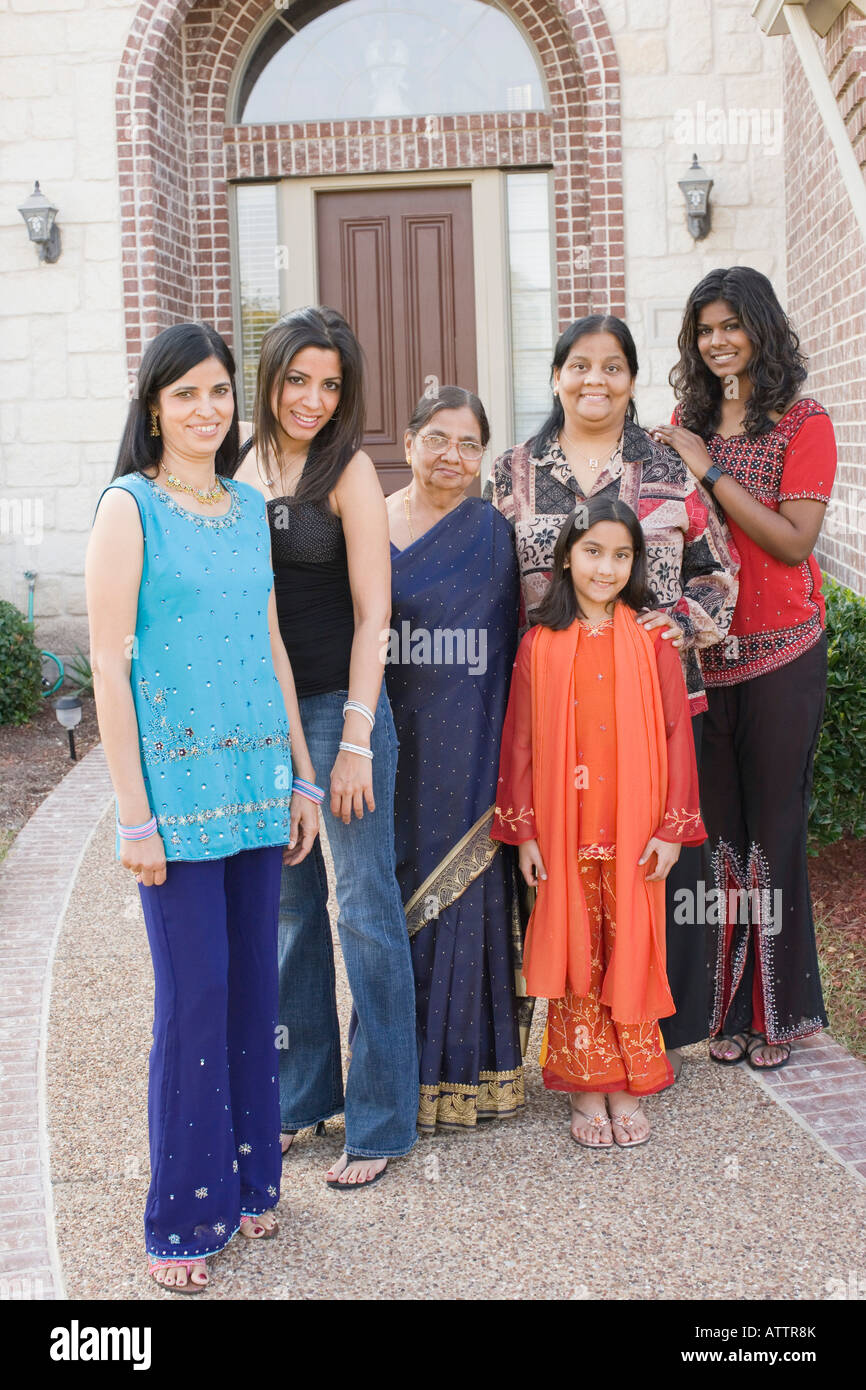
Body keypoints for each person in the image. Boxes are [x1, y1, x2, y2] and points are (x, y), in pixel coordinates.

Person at [85, 323, 320, 1292]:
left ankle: (254, 1181)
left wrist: (303, 774)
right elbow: (108, 662)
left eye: (219, 392)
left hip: (257, 786)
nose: (206, 409)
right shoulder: (126, 508)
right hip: (175, 804)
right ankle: (183, 1217)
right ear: (153, 407)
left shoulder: (247, 503)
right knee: (192, 1004)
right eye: (186, 394)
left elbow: (271, 645)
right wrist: (133, 816)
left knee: (250, 999)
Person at [486, 316, 738, 1078]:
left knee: (641, 881)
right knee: (561, 881)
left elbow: (718, 576)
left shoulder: (664, 466)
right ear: (557, 373)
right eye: (580, 366)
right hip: (551, 711)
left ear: (633, 378)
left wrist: (666, 631)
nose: (596, 380)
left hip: (648, 710)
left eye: (614, 367)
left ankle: (640, 1042)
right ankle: (574, 1050)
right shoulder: (514, 472)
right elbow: (488, 588)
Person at [234, 306, 418, 1189]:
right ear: (269, 379)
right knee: (291, 911)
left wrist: (354, 740)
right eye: (298, 379)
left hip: (339, 714)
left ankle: (382, 1119)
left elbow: (376, 612)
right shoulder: (233, 465)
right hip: (263, 720)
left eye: (331, 383)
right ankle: (301, 1100)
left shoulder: (350, 470)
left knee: (364, 909)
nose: (313, 398)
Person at [651, 266, 837, 1070]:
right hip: (703, 657)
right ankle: (724, 1008)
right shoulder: (683, 421)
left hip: (782, 653)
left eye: (731, 324)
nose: (718, 341)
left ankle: (781, 1012)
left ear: (761, 327)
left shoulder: (803, 422)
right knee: (718, 840)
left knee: (775, 832)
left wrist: (709, 470)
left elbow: (793, 541)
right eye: (704, 328)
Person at [492, 498, 706, 1148]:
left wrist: (672, 829)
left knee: (630, 952)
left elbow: (676, 738)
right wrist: (525, 831)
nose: (606, 567)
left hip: (636, 833)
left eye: (621, 555)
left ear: (635, 563)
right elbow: (521, 743)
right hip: (564, 833)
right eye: (592, 551)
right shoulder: (539, 645)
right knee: (577, 953)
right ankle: (587, 1085)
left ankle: (626, 1083)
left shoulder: (654, 644)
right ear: (565, 558)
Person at [385, 385, 525, 1131]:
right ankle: (392, 1081)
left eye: (470, 444)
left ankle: (474, 1076)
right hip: (386, 742)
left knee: (467, 898)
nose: (452, 456)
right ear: (408, 442)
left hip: (471, 742)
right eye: (438, 438)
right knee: (388, 903)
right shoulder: (366, 527)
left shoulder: (494, 535)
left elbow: (508, 651)